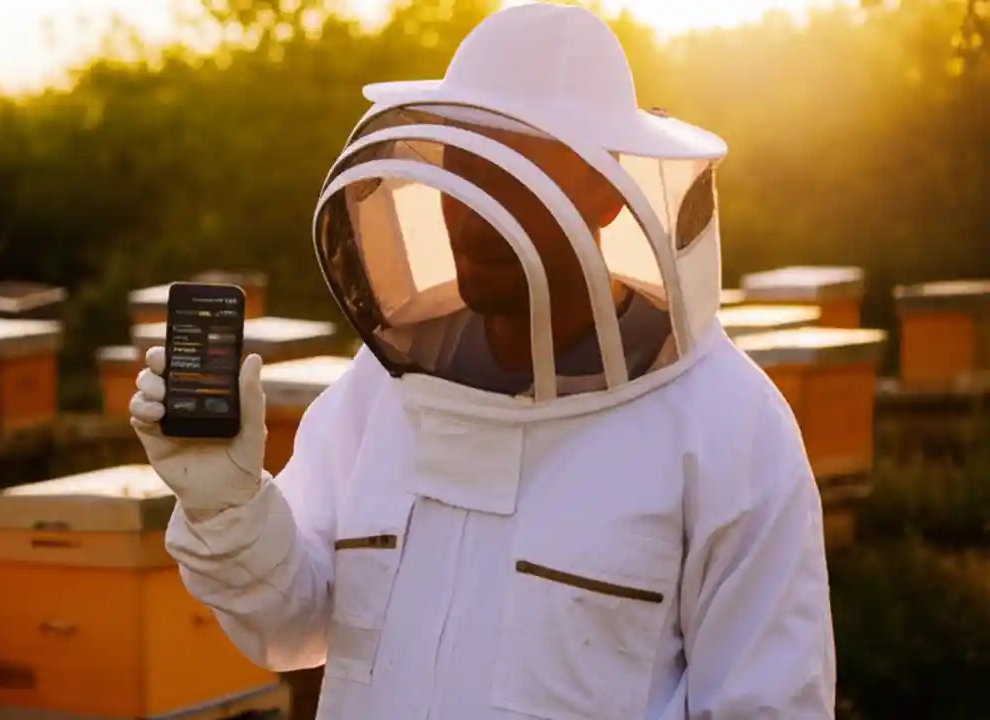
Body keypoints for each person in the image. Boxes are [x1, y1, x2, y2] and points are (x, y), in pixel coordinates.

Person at [131, 4, 836, 719]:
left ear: (604, 191)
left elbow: (768, 704)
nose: (469, 218)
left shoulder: (728, 427)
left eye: (512, 175)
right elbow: (289, 628)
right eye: (464, 168)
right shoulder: (380, 388)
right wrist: (227, 508)